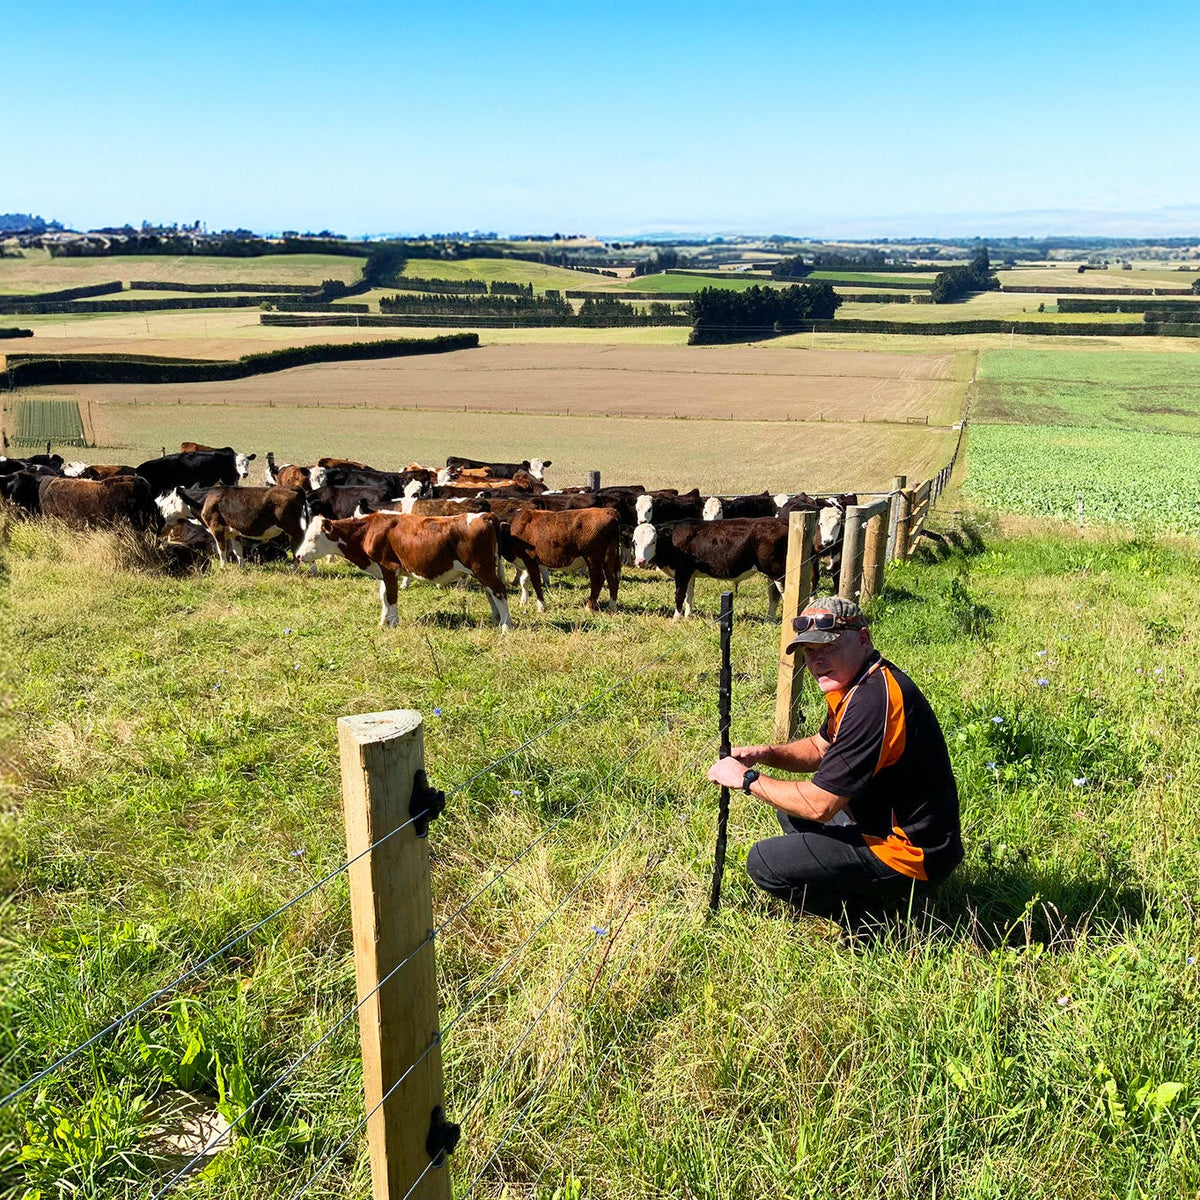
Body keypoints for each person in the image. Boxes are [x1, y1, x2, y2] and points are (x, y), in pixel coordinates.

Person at [706, 595, 962, 931]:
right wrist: (765, 753)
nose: (817, 661)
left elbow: (820, 806)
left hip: (913, 853)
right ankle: (873, 891)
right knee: (789, 810)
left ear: (863, 638)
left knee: (764, 862)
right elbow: (820, 746)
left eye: (828, 647)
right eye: (809, 651)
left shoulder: (874, 702)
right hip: (889, 827)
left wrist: (747, 779)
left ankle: (874, 922)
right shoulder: (859, 682)